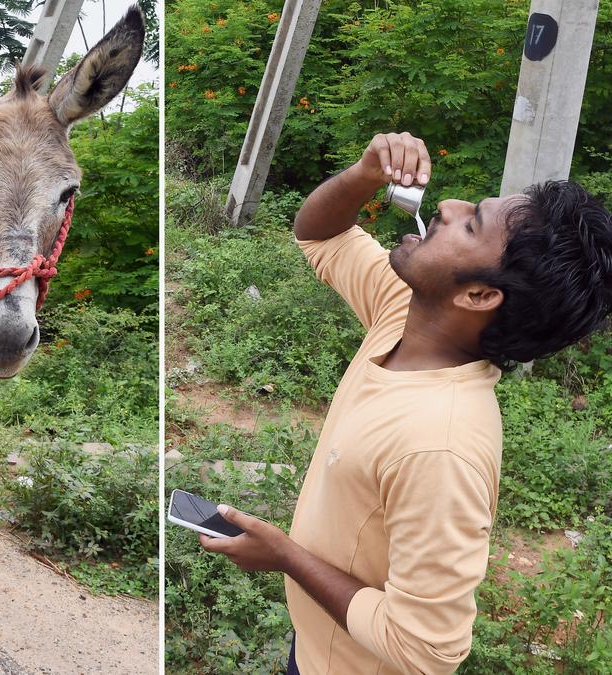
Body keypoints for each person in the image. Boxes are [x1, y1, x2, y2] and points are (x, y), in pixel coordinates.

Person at [198, 132, 612, 674]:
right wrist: (365, 173)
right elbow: (319, 236)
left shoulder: (441, 445)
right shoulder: (405, 315)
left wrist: (285, 557)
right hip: (318, 650)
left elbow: (427, 652)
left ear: (480, 296)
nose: (447, 205)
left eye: (471, 223)